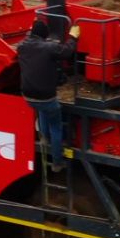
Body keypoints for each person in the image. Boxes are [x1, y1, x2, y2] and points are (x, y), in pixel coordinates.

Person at [19, 18, 79, 158]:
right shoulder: (48, 48)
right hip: (46, 97)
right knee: (56, 127)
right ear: (44, 35)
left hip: (28, 96)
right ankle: (57, 161)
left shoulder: (22, 46)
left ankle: (44, 137)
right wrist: (73, 37)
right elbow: (67, 51)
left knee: (42, 110)